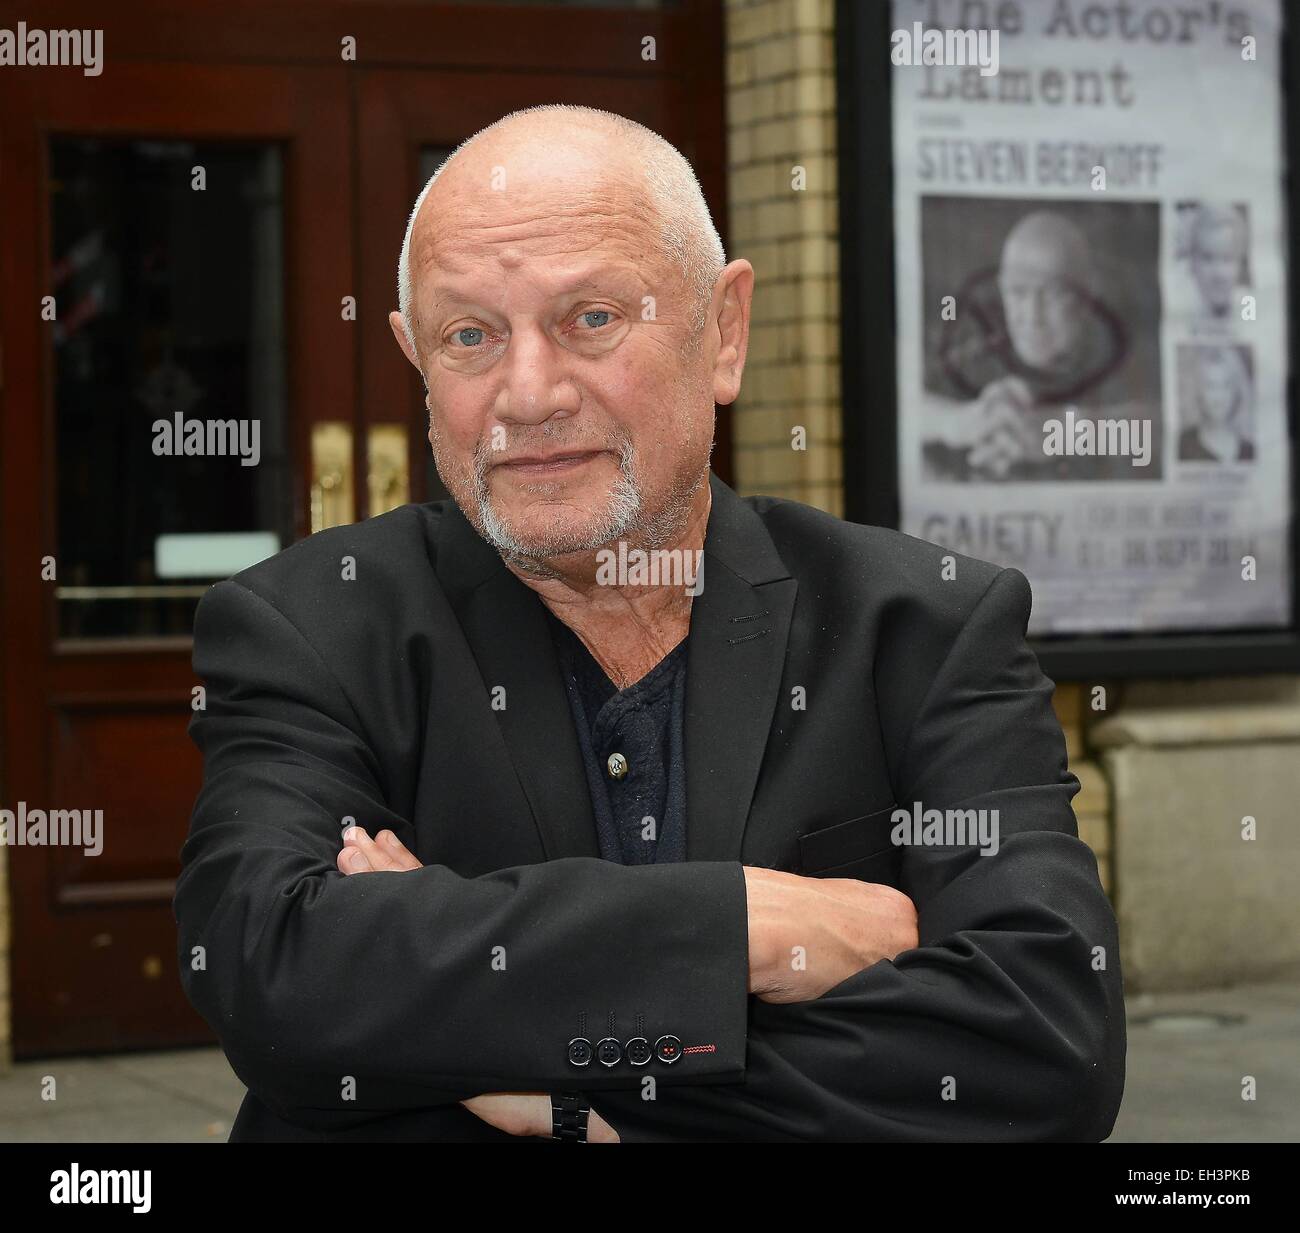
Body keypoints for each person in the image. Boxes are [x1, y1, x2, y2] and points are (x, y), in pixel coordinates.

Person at [174, 104, 1125, 1143]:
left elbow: (1045, 1044)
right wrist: (742, 931)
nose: (527, 394)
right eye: (470, 336)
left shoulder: (924, 628)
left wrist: (554, 1095)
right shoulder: (309, 627)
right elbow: (274, 975)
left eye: (591, 318)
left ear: (724, 333)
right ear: (416, 357)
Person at [1178, 345, 1256, 463]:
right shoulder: (1183, 444)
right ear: (1199, 391)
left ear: (1236, 392)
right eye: (1211, 386)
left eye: (1226, 386)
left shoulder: (1249, 451)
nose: (1219, 397)